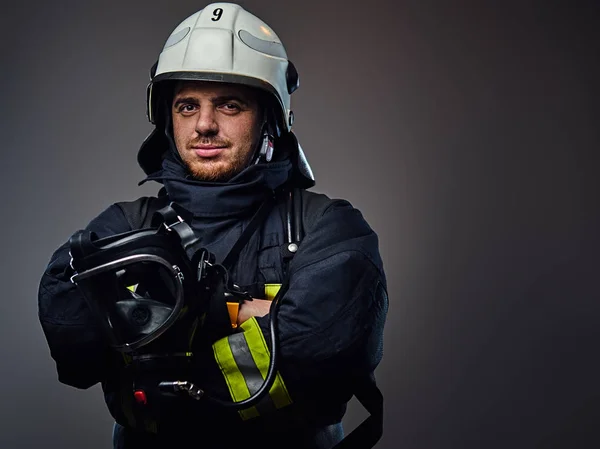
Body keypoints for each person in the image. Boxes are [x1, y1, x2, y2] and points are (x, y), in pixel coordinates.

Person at [38, 3, 389, 448]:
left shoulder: (331, 231)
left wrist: (156, 336)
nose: (204, 124)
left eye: (229, 104)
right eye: (188, 105)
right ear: (168, 119)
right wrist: (249, 320)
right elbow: (74, 348)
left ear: (270, 119)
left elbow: (320, 358)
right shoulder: (123, 225)